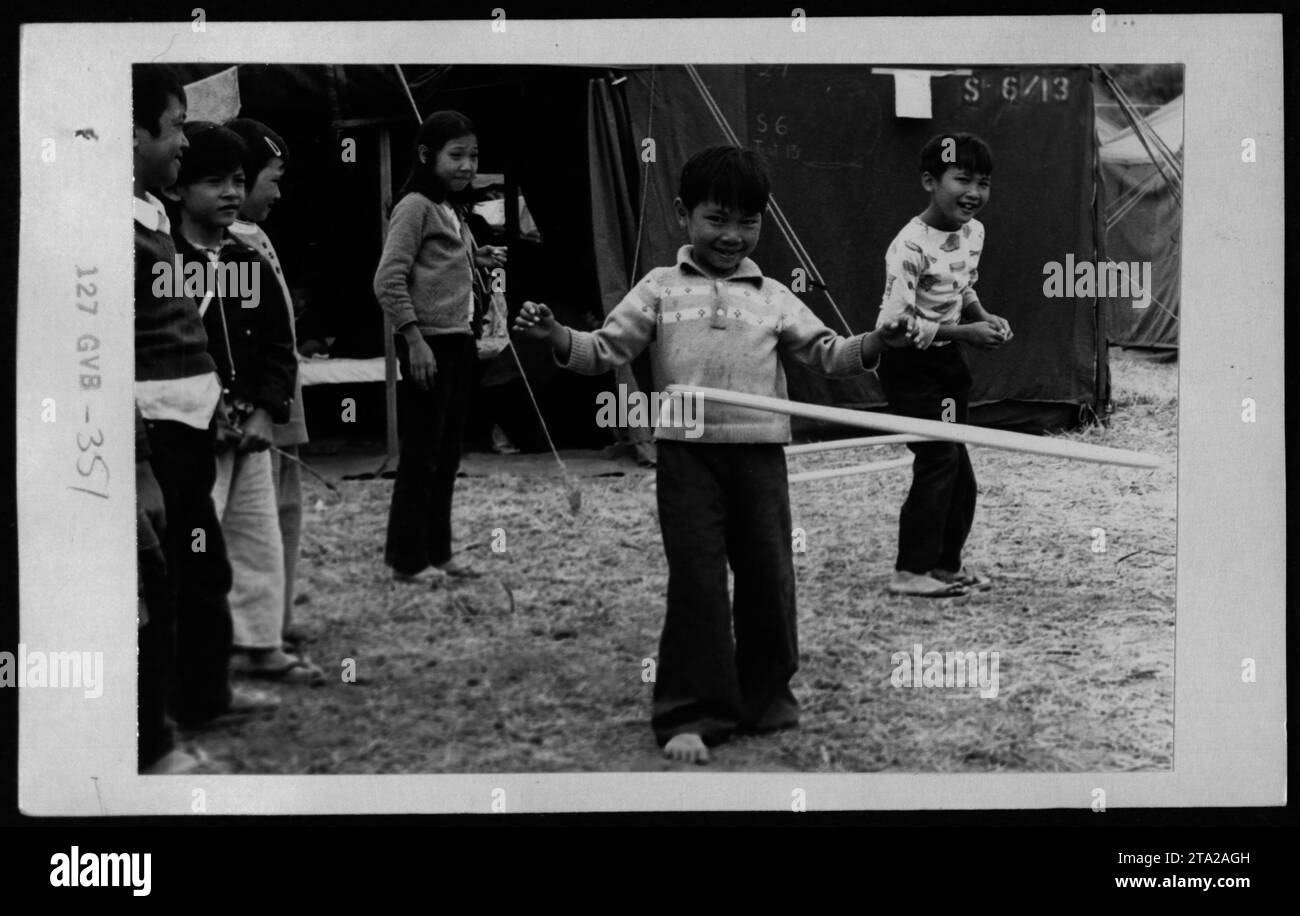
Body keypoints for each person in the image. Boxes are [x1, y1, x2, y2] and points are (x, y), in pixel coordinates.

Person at [513, 145, 914, 764]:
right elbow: (605, 350)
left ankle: (766, 700)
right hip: (687, 460)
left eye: (747, 222)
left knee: (767, 577)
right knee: (698, 583)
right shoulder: (659, 288)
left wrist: (878, 340)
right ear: (682, 214)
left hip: (759, 457)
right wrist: (555, 338)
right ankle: (692, 713)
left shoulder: (774, 295)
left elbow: (829, 355)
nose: (732, 235)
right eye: (717, 219)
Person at [132, 66, 278, 747]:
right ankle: (177, 710)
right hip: (159, 433)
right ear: (131, 136)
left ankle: (207, 695)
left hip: (200, 422)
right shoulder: (123, 230)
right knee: (180, 572)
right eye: (170, 130)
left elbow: (245, 336)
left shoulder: (153, 218)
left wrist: (240, 401)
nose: (181, 144)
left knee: (209, 564)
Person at [170, 121, 320, 685]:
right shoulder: (165, 264)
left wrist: (263, 409)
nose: (232, 192)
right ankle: (203, 661)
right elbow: (165, 348)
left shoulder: (245, 261)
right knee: (200, 546)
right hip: (193, 432)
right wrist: (206, 410)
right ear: (179, 189)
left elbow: (279, 348)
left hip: (250, 431)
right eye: (214, 181)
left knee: (257, 536)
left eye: (237, 179)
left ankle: (260, 643)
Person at [874, 132, 1013, 598]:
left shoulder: (974, 231)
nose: (974, 192)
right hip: (908, 362)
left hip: (948, 363)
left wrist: (983, 317)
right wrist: (965, 334)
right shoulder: (909, 245)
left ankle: (945, 566)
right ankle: (909, 571)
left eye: (984, 182)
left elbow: (962, 287)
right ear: (930, 181)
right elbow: (895, 322)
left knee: (958, 463)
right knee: (937, 457)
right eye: (963, 179)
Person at [373, 110, 506, 584]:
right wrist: (414, 339)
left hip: (458, 342)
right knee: (421, 454)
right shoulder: (415, 206)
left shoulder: (450, 208)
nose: (468, 165)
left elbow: (438, 261)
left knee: (447, 454)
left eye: (473, 155)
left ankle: (439, 551)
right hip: (429, 346)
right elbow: (388, 279)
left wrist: (476, 256)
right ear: (427, 156)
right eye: (457, 156)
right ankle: (407, 560)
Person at [225, 117, 310, 652]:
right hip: (254, 399)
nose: (277, 192)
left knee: (286, 506)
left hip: (285, 395)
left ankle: (278, 614)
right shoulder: (223, 244)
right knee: (252, 514)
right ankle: (251, 625)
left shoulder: (259, 235)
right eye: (271, 179)